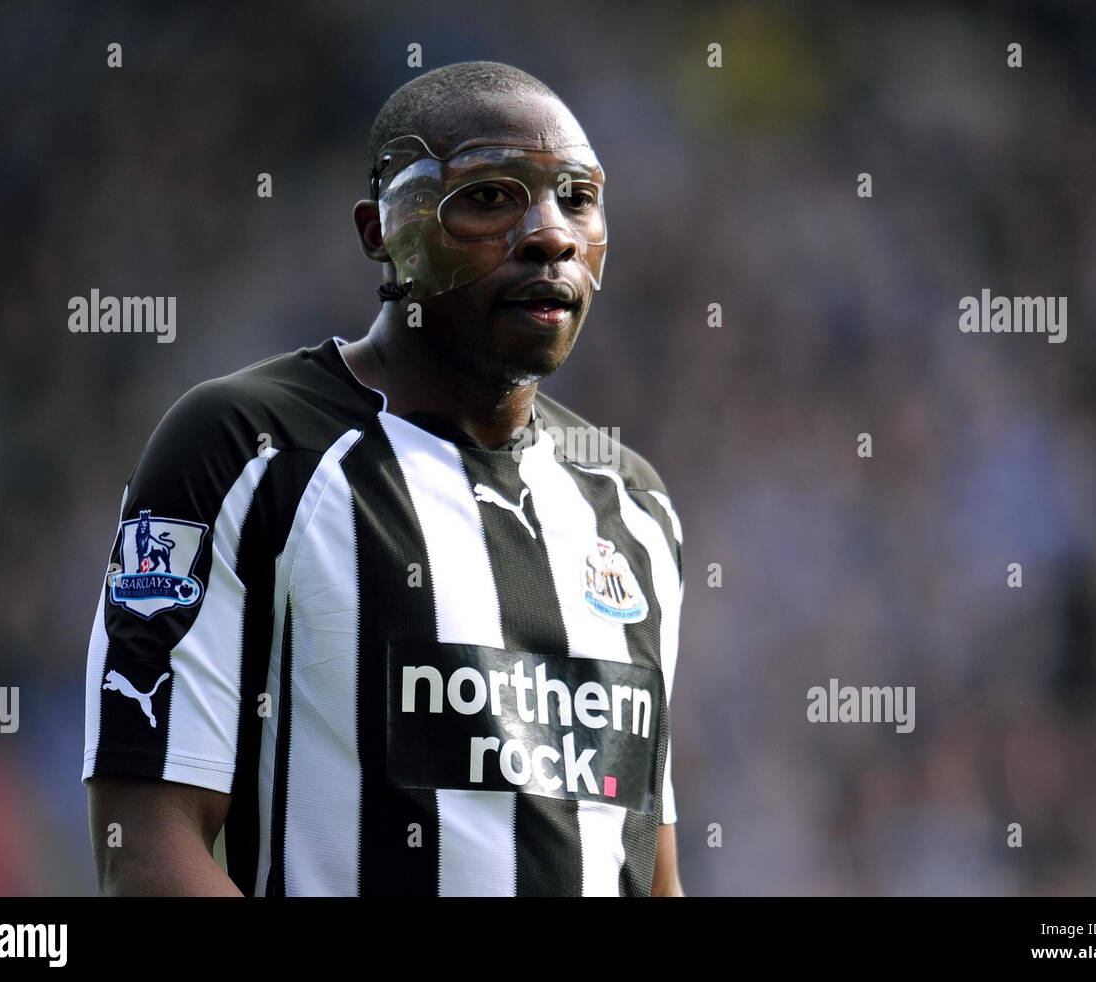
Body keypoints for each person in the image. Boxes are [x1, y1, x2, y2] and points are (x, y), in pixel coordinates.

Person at [84, 60, 685, 896]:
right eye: (488, 196)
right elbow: (142, 846)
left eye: (578, 196)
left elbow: (648, 871)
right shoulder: (247, 449)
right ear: (379, 230)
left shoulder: (634, 505)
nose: (551, 235)